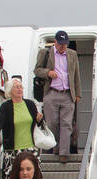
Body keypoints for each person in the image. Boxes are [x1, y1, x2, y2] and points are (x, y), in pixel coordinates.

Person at [33, 30, 80, 163]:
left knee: (66, 124)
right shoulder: (45, 53)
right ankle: (53, 148)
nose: (63, 47)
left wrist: (77, 94)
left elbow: (76, 75)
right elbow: (37, 70)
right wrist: (48, 73)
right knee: (52, 123)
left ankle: (64, 153)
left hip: (67, 93)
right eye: (61, 45)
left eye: (65, 44)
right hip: (52, 92)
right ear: (55, 42)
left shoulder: (72, 54)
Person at [0, 77, 45, 173]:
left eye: (21, 87)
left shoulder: (30, 104)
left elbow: (37, 123)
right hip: (13, 150)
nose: (19, 89)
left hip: (30, 148)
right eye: (16, 87)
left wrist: (39, 120)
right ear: (10, 90)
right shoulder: (6, 107)